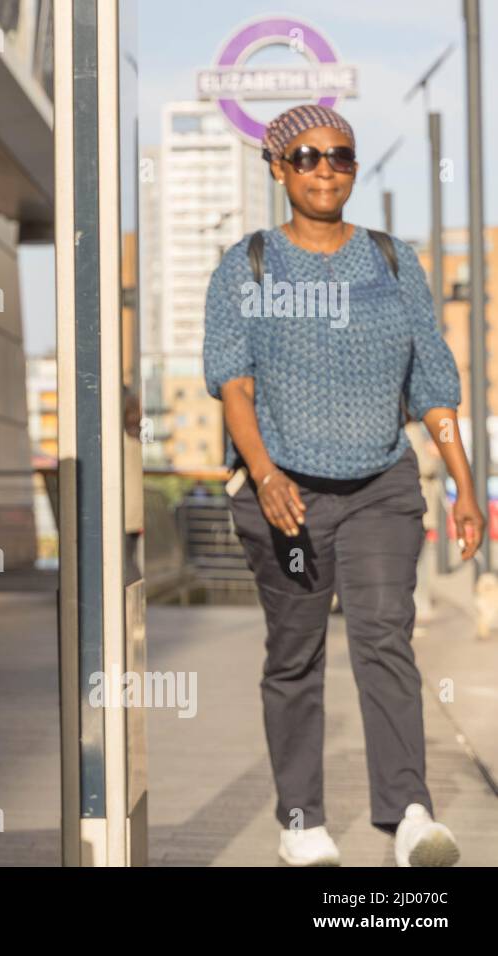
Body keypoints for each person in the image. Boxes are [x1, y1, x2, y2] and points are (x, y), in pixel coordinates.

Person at [202, 105, 482, 867]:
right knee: (294, 656)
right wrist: (262, 475)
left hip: (380, 488)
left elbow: (434, 386)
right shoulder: (248, 265)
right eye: (307, 156)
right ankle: (300, 820)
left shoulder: (394, 262)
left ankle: (411, 812)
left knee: (385, 638)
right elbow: (231, 381)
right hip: (284, 495)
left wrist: (465, 485)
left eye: (340, 156)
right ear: (278, 168)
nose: (326, 169)